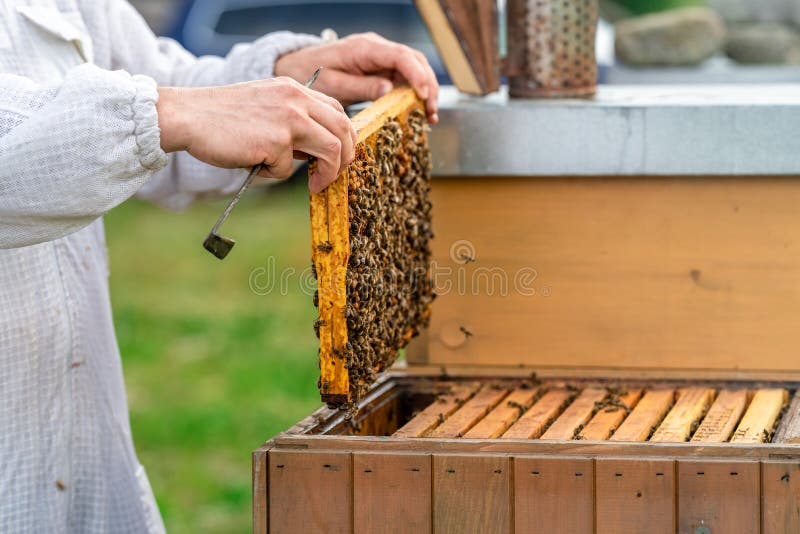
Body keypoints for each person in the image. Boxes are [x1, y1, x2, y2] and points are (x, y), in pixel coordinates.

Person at [0, 1, 439, 532]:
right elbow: (151, 111)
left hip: (76, 440)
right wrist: (168, 114)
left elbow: (149, 82)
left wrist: (280, 77)